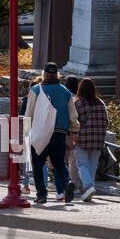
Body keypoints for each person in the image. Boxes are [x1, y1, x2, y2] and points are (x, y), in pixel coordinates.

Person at [25, 62, 79, 204]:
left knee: (38, 164)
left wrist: (25, 131)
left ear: (44, 74)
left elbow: (29, 113)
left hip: (40, 132)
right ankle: (67, 183)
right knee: (58, 162)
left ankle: (42, 195)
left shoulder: (36, 90)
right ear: (57, 74)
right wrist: (74, 130)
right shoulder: (66, 92)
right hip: (60, 132)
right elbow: (72, 114)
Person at [74, 77, 109, 201]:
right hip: (98, 139)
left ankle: (88, 187)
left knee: (82, 165)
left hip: (83, 139)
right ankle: (90, 188)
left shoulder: (77, 103)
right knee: (93, 165)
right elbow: (106, 121)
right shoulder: (101, 103)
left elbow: (74, 121)